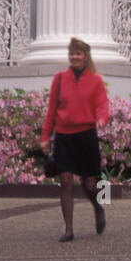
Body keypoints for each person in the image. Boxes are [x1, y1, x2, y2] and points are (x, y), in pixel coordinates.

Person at [40, 37, 110, 242]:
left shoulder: (95, 80)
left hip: (86, 135)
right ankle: (69, 229)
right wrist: (45, 137)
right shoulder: (60, 78)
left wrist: (102, 119)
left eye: (78, 54)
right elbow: (51, 111)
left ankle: (98, 207)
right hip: (64, 136)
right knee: (66, 181)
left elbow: (102, 105)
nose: (74, 57)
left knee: (89, 184)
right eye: (72, 54)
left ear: (85, 56)